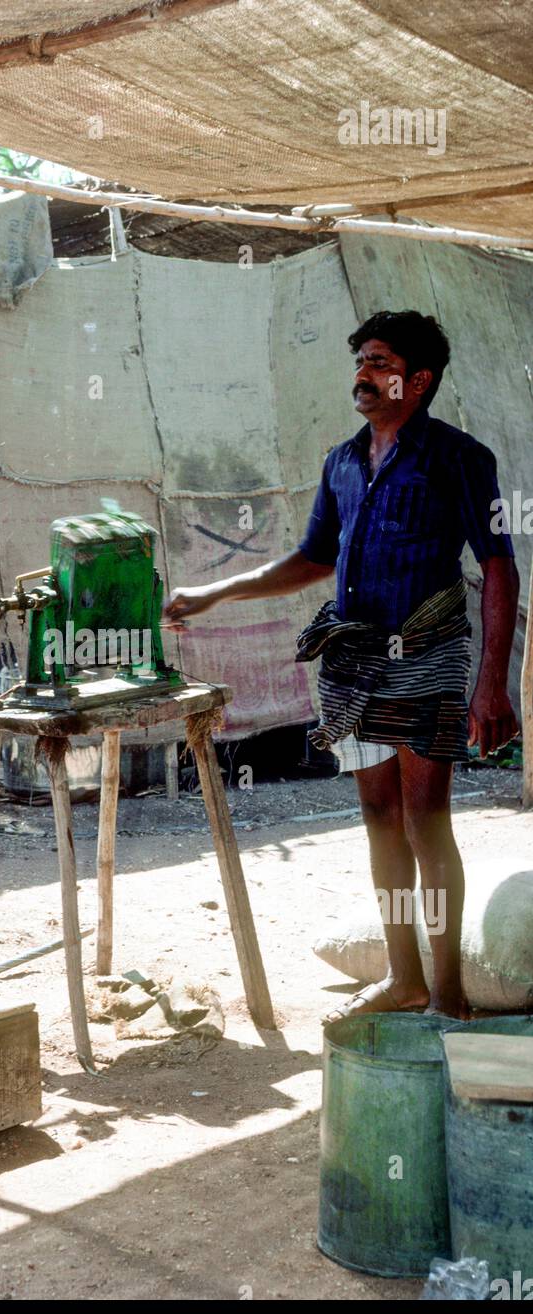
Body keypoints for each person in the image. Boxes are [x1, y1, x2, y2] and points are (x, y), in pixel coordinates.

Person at [163, 310, 519, 1021]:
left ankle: (448, 995)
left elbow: (501, 570)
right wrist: (216, 591)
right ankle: (405, 978)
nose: (361, 374)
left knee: (426, 817)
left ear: (417, 381)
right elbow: (314, 558)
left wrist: (491, 685)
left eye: (378, 361)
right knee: (379, 816)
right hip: (353, 663)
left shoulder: (461, 458)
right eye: (359, 359)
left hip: (427, 656)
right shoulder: (344, 461)